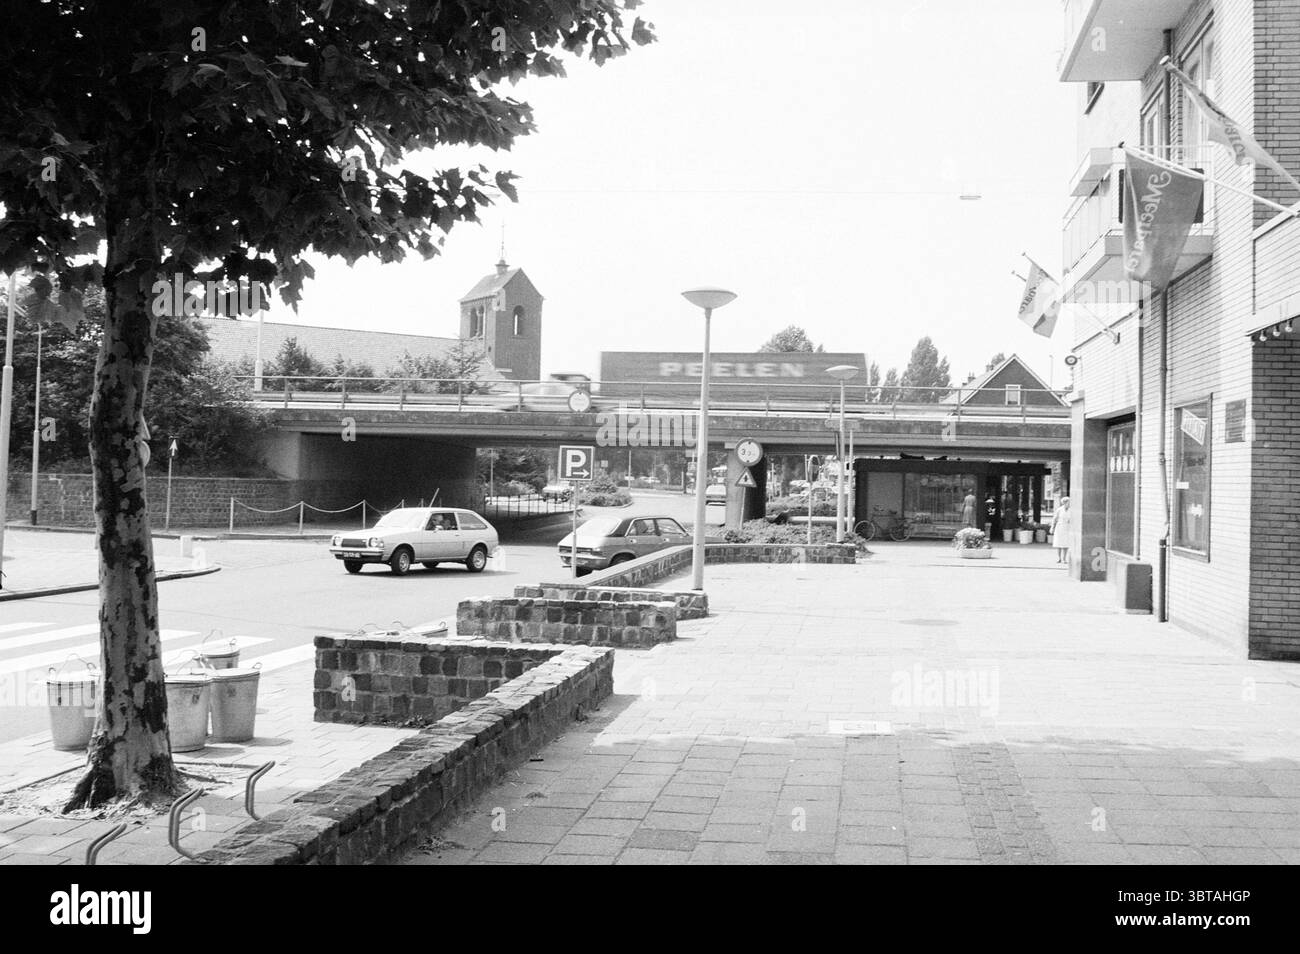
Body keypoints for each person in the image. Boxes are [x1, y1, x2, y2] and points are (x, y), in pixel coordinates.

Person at [1050, 497, 1072, 564]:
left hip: (1067, 527)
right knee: (1059, 543)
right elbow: (1055, 519)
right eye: (1068, 502)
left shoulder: (1071, 510)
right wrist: (1052, 527)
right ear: (1065, 503)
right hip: (1060, 527)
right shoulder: (1059, 510)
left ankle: (1064, 558)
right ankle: (1059, 558)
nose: (1069, 503)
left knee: (1066, 543)